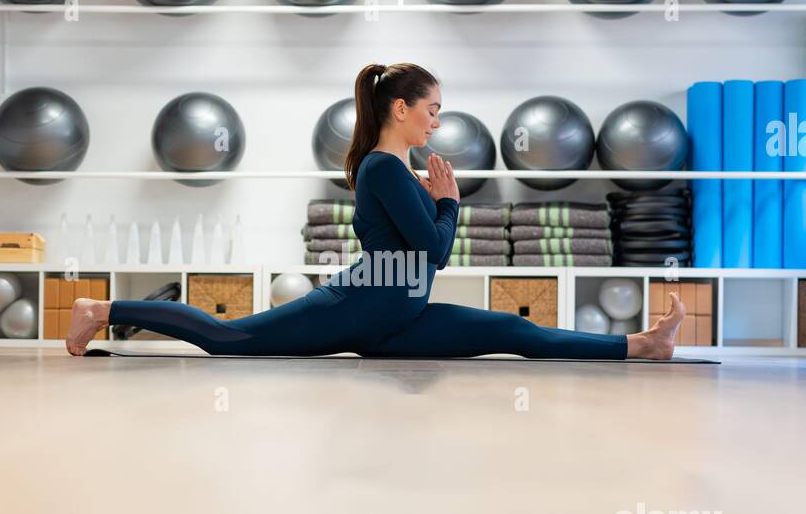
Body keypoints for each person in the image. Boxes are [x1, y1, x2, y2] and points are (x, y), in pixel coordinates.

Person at [66, 62, 685, 358]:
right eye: (432, 108)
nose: (438, 119)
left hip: (396, 318)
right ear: (400, 109)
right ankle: (101, 308)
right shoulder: (384, 167)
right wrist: (447, 202)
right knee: (229, 340)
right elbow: (434, 253)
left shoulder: (398, 171)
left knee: (511, 331)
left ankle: (640, 344)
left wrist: (434, 196)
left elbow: (424, 251)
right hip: (360, 305)